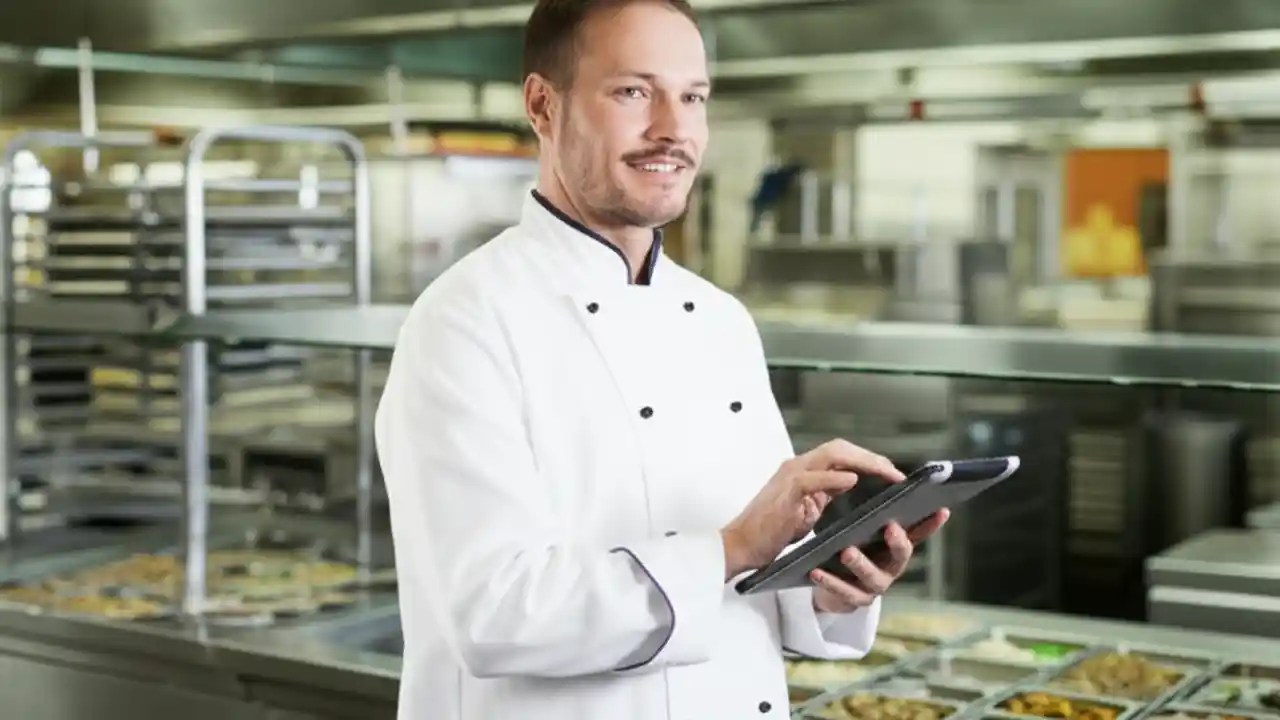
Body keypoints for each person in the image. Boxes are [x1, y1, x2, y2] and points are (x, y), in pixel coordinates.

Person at [372, 0, 949, 717]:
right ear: (542, 105)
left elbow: (750, 592)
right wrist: (734, 545)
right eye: (633, 92)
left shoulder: (721, 321)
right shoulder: (464, 321)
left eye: (693, 97)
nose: (673, 130)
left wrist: (833, 584)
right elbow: (493, 614)